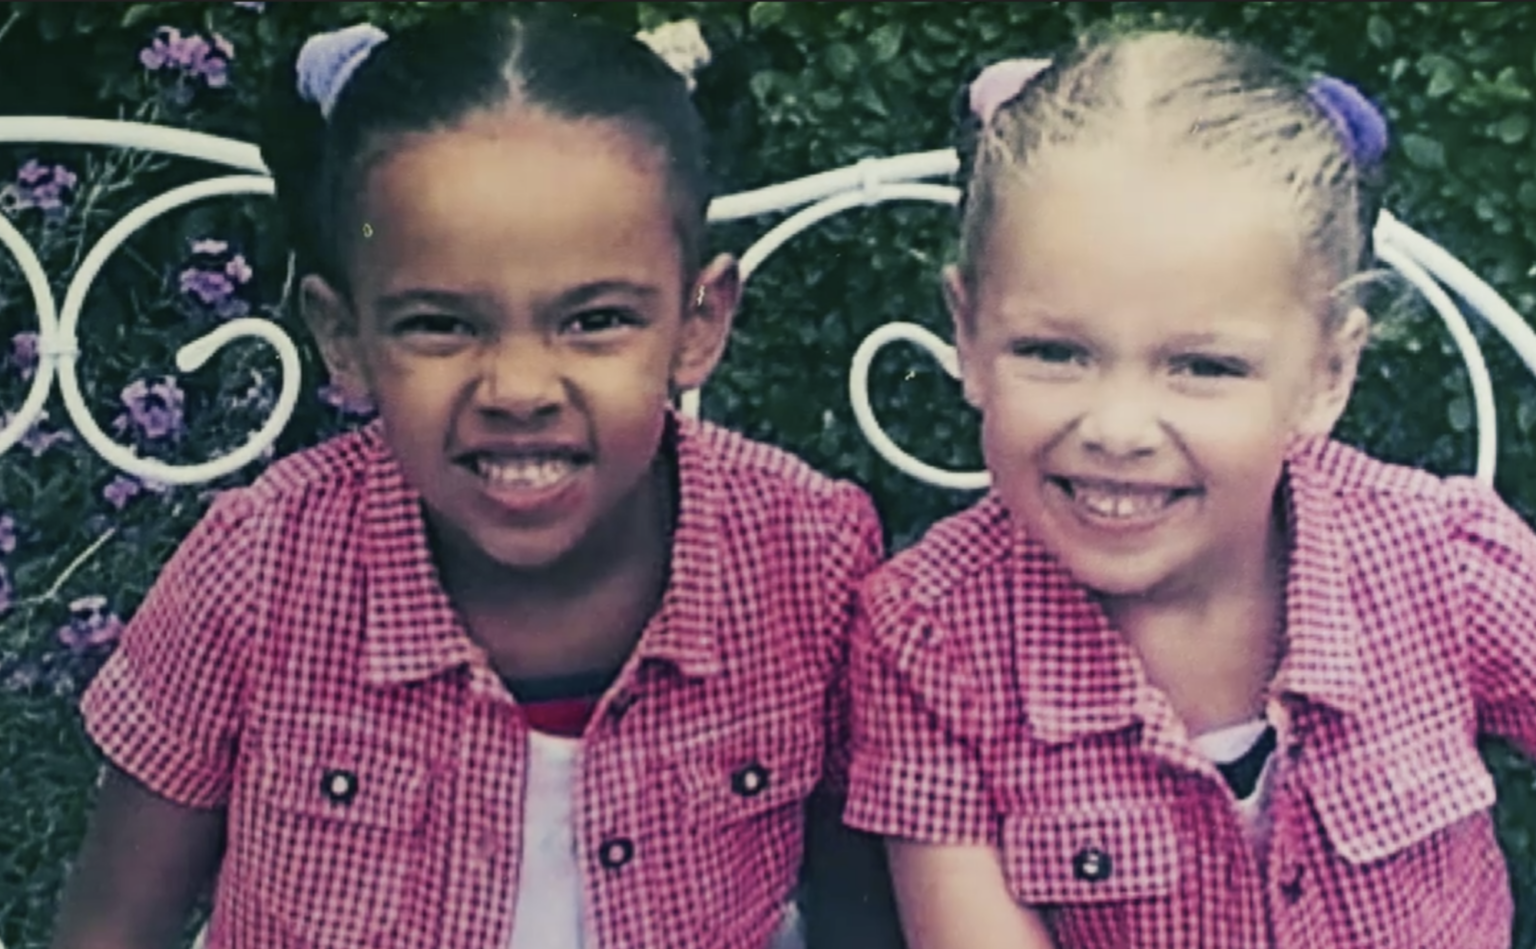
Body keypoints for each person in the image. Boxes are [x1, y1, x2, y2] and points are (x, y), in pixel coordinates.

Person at [51, 10, 899, 949]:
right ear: (345, 337)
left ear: (699, 321)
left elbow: (859, 906)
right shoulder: (258, 571)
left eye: (596, 320)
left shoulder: (805, 557)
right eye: (440, 326)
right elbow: (114, 926)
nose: (519, 389)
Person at [844, 29, 1536, 949]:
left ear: (1328, 373)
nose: (1119, 428)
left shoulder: (1437, 561)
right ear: (967, 334)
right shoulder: (930, 637)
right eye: (1054, 352)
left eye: (1203, 366)